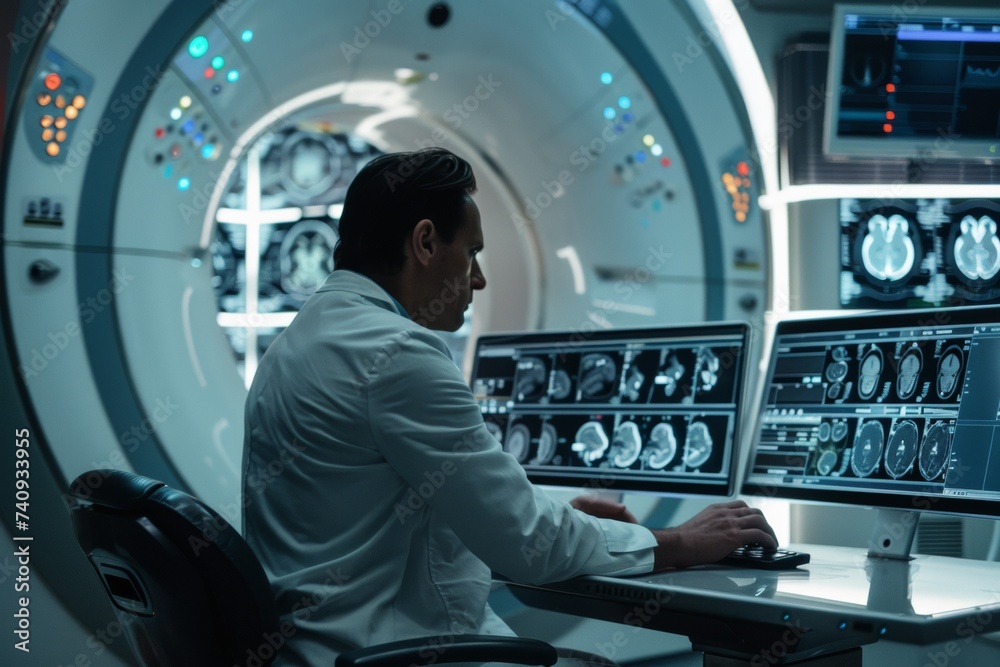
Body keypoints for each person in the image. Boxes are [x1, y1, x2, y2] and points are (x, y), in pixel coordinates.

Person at [241, 147, 777, 666]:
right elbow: (530, 545)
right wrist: (680, 541)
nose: (478, 278)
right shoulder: (400, 354)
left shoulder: (293, 345)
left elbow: (406, 517)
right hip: (398, 653)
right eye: (472, 252)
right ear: (425, 242)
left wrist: (552, 515)